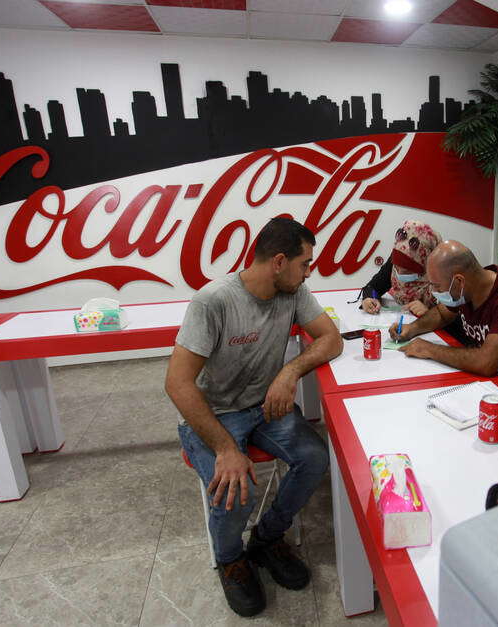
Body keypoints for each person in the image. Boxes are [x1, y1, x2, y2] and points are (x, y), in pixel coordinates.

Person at [165, 217, 343, 617]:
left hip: (264, 408)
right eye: (305, 263)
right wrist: (226, 449)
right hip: (215, 416)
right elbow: (177, 384)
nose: (308, 272)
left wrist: (288, 371)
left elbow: (331, 339)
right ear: (279, 261)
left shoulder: (294, 292)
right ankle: (231, 560)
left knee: (315, 457)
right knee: (235, 488)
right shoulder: (213, 301)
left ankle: (267, 538)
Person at [390, 240, 498, 376]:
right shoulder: (468, 289)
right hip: (492, 381)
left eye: (437, 287)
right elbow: (441, 313)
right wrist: (411, 328)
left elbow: (486, 363)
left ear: (459, 281)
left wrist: (429, 349)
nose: (435, 293)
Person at [356, 219, 441, 317]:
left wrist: (430, 314)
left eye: (407, 270)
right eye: (396, 267)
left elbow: (449, 318)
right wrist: (369, 299)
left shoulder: (440, 280)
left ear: (425, 268)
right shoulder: (395, 261)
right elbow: (373, 287)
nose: (399, 273)